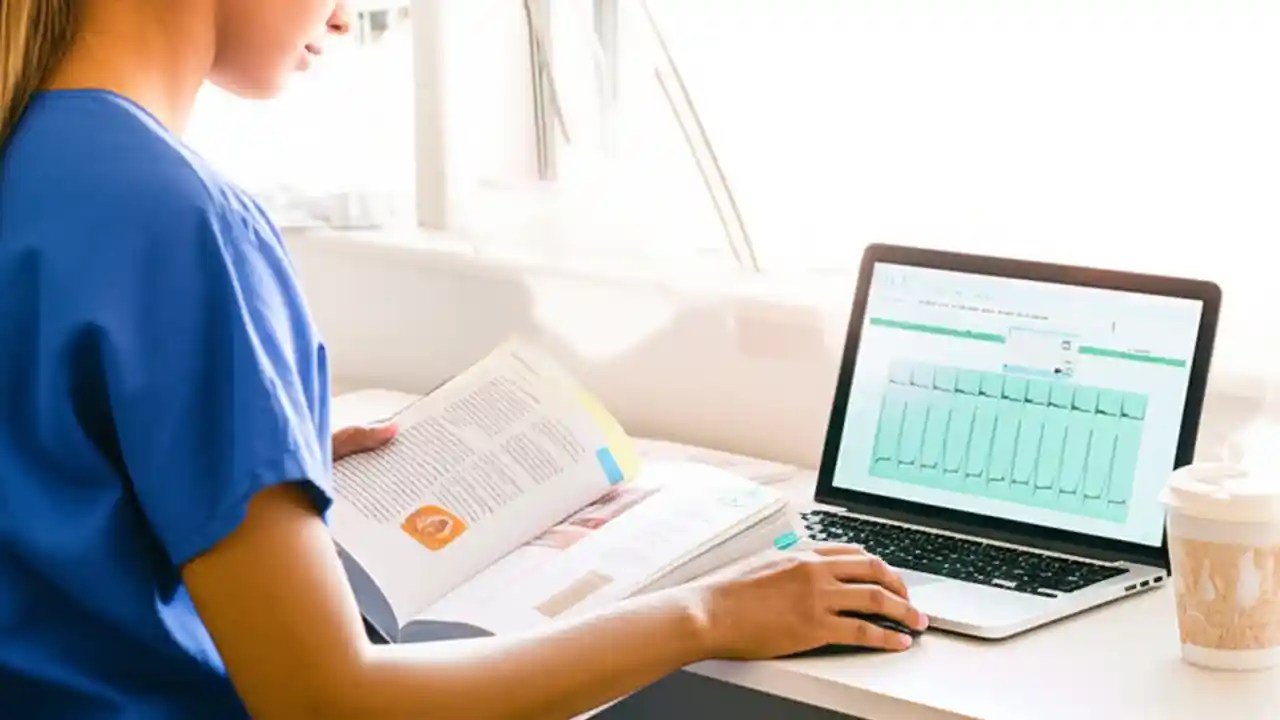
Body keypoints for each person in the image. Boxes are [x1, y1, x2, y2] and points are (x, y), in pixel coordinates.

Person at [0, 1, 928, 717]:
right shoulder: (180, 219)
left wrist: (241, 472)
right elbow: (327, 701)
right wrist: (709, 613)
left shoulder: (35, 162)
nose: (346, 15)